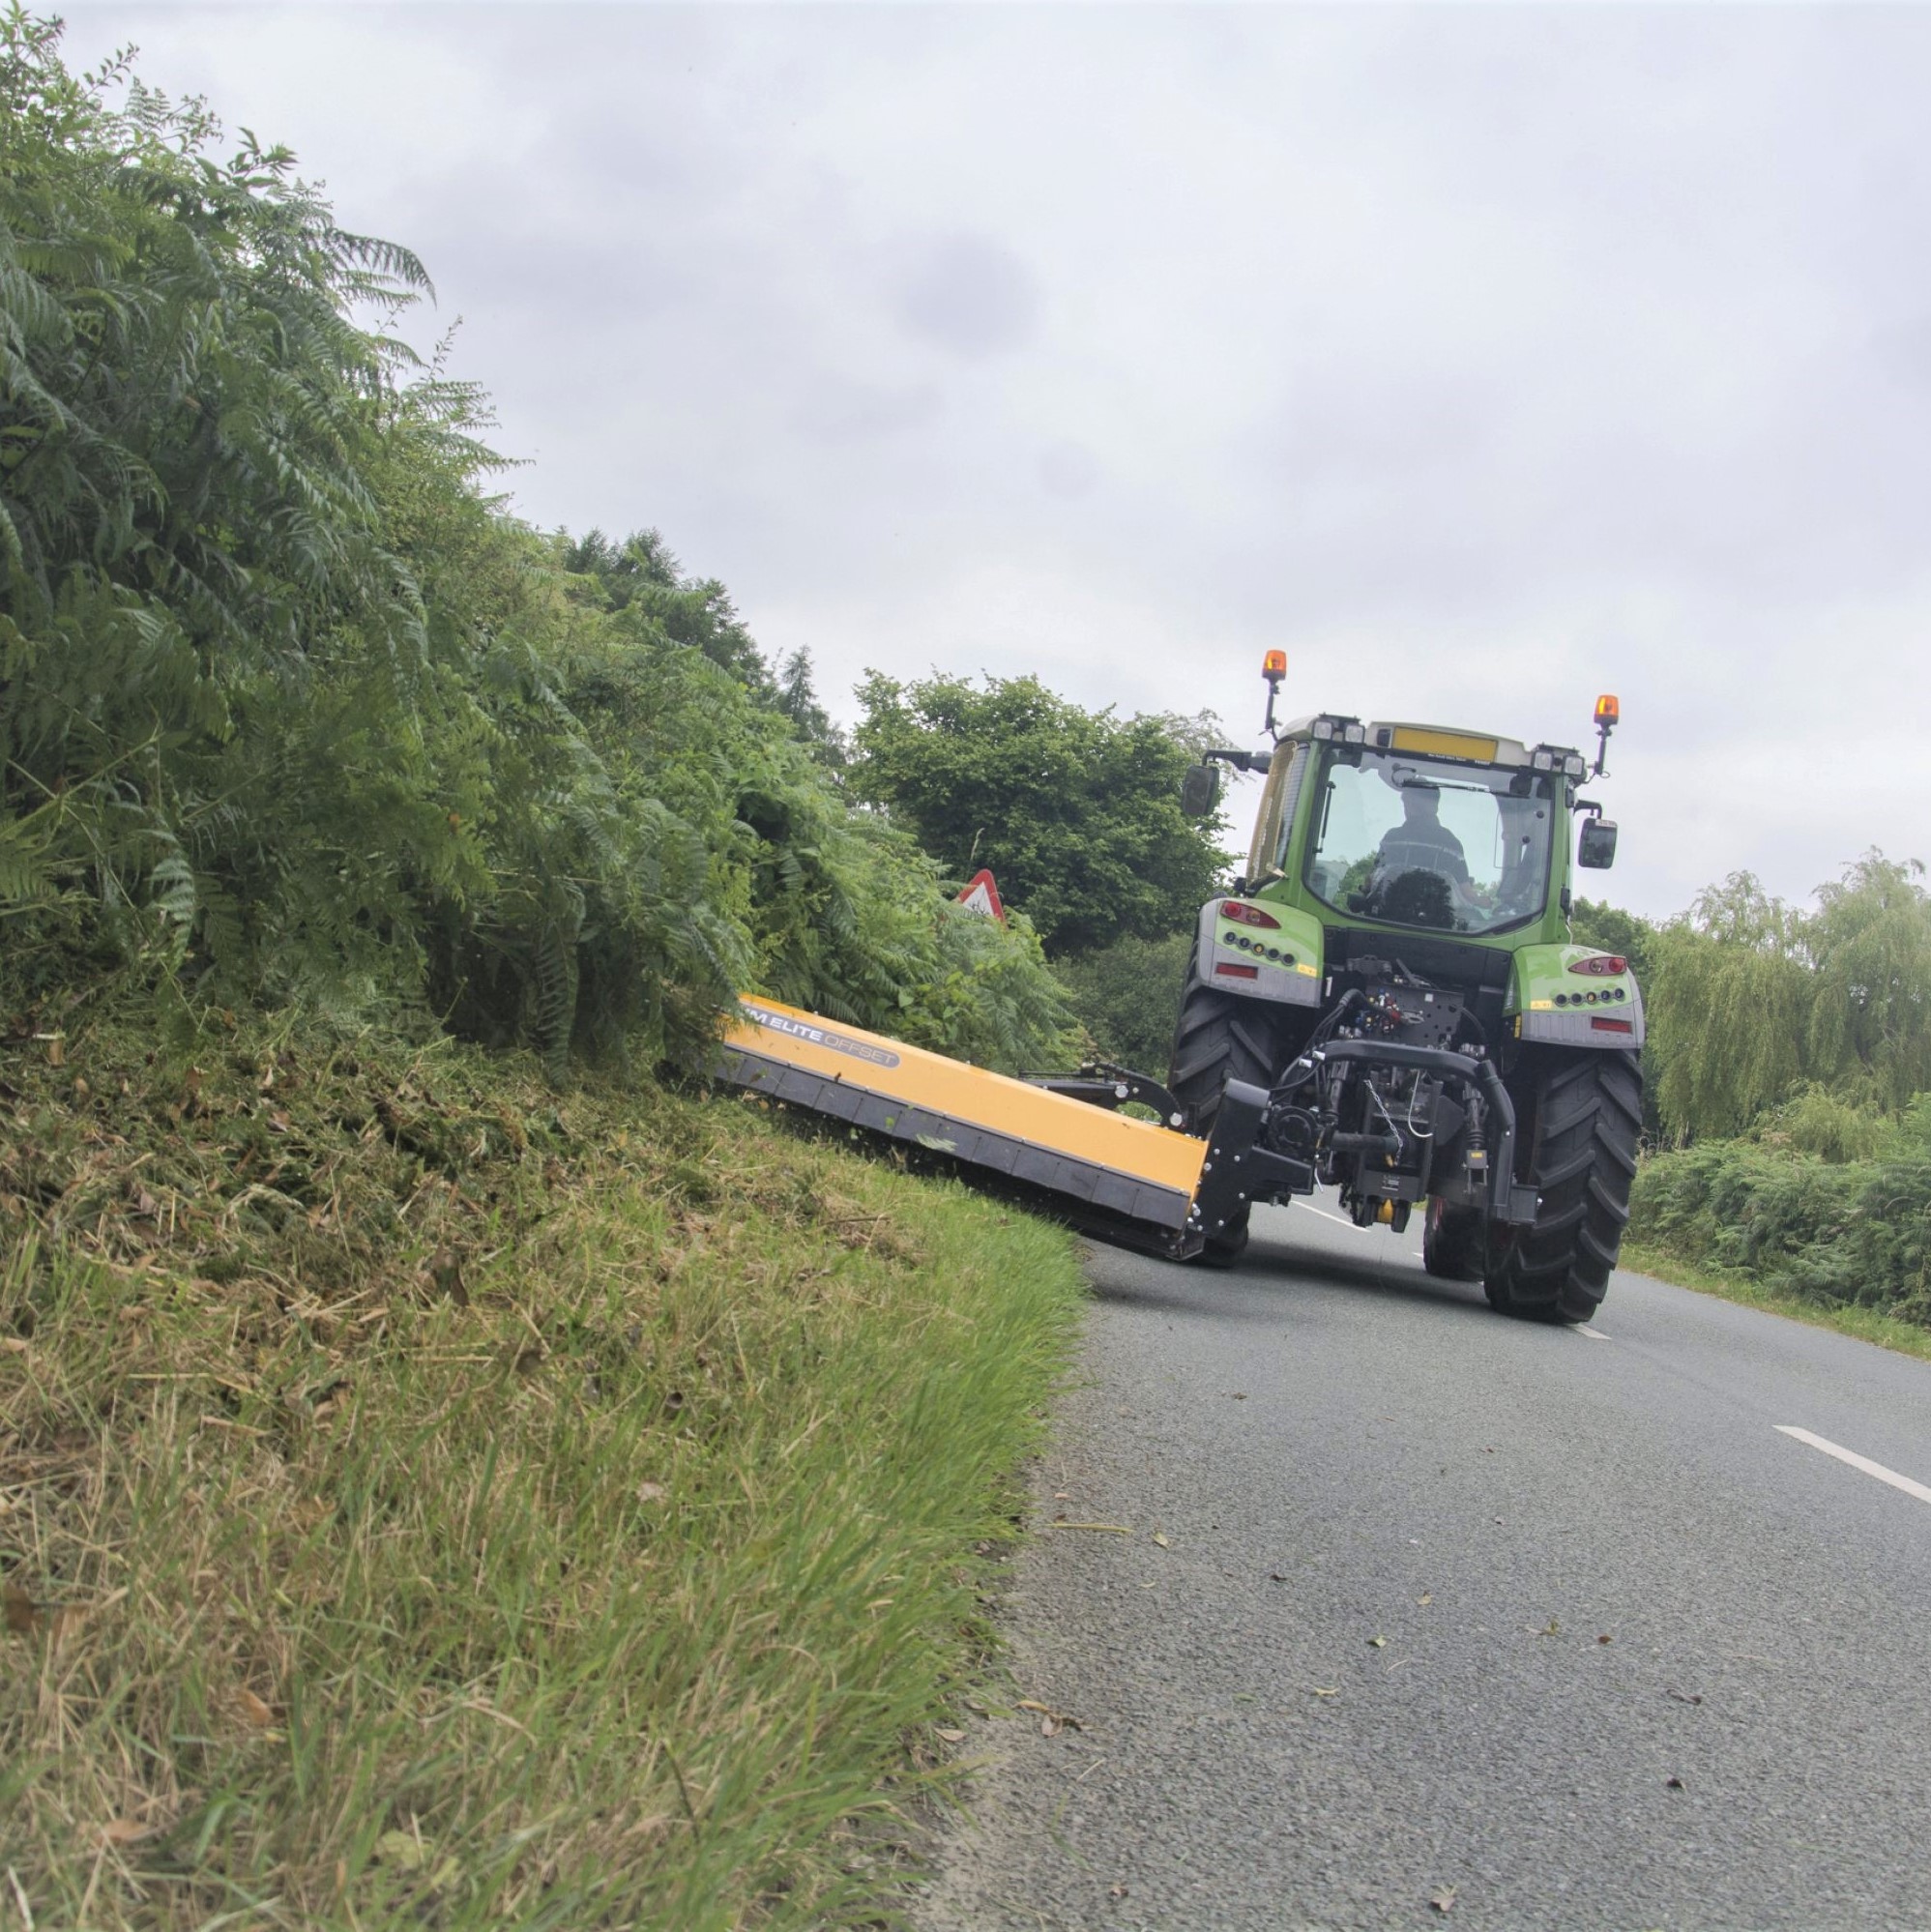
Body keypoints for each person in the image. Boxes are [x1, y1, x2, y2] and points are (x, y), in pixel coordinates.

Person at [1374, 780, 1471, 892]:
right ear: (1435, 807)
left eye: (1408, 803)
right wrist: (1482, 901)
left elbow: (1373, 879)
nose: (1408, 807)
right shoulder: (1452, 843)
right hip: (1438, 908)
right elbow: (1466, 892)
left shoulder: (1392, 838)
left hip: (1389, 908)